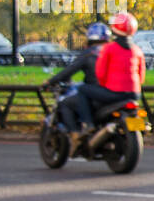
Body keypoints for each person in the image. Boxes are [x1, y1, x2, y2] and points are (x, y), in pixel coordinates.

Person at [63, 12, 146, 154]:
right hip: (134, 94)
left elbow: (100, 73)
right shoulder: (137, 50)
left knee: (83, 89)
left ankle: (88, 124)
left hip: (114, 92)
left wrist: (104, 85)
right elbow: (141, 75)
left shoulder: (110, 48)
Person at [43, 23, 109, 139]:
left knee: (65, 104)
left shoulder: (89, 53)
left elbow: (69, 71)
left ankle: (76, 134)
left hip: (96, 94)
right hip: (116, 92)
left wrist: (50, 81)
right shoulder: (112, 51)